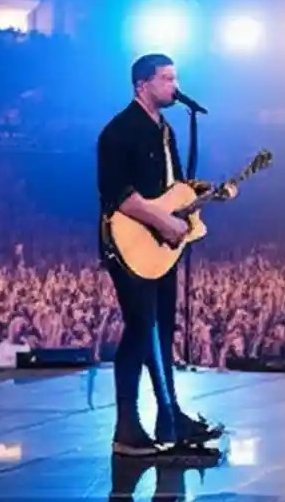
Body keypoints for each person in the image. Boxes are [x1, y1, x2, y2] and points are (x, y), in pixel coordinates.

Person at [97, 53, 235, 457]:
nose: (175, 86)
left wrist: (207, 191)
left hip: (160, 245)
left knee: (162, 328)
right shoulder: (119, 131)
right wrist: (162, 221)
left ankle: (169, 416)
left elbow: (171, 187)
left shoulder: (166, 130)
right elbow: (117, 193)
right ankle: (126, 427)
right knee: (140, 329)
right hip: (128, 242)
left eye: (175, 78)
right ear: (143, 84)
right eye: (166, 78)